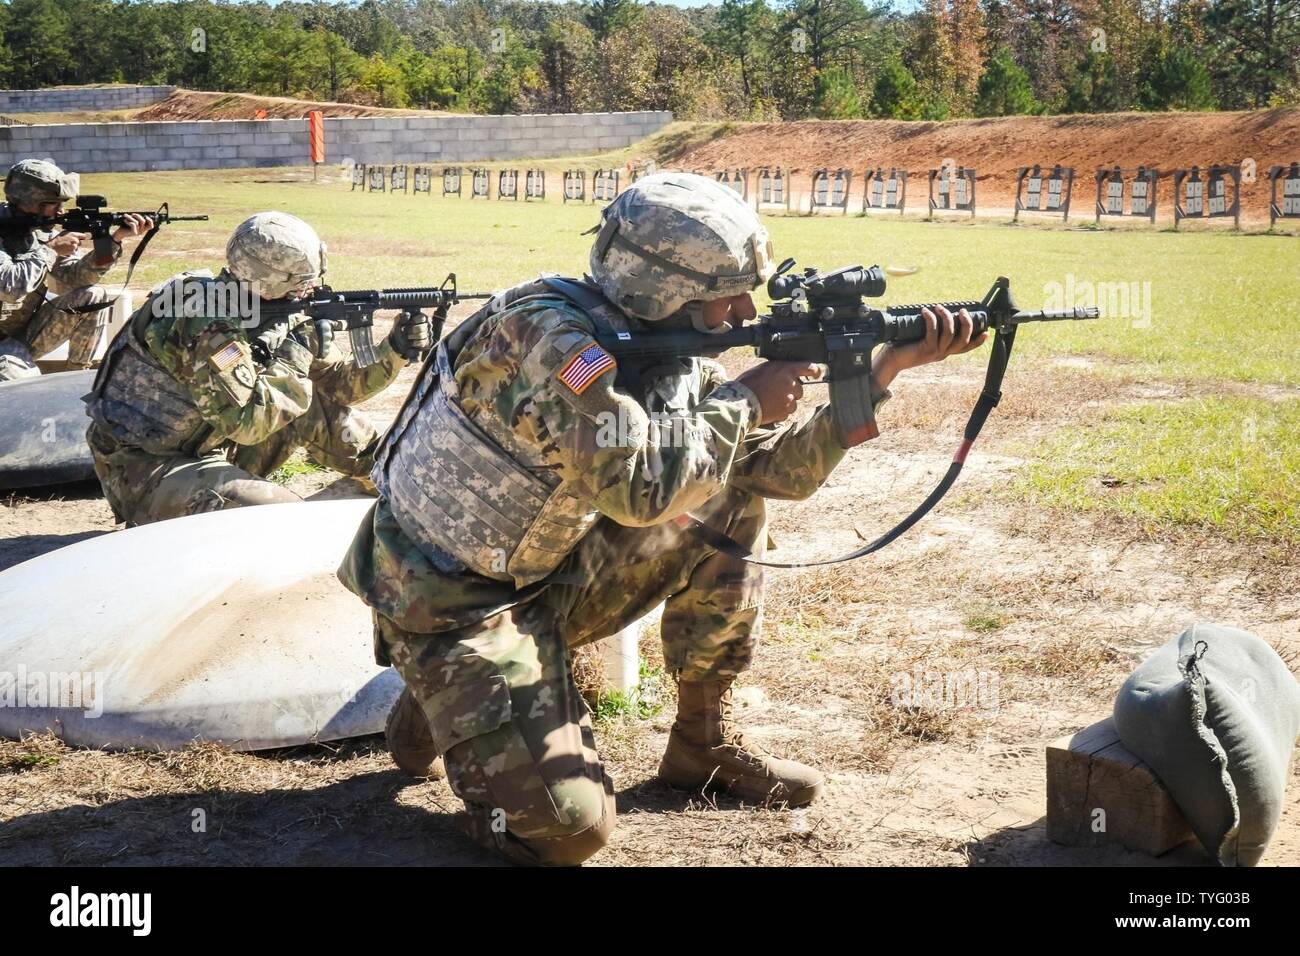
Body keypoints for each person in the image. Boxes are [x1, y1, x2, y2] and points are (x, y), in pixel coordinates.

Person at [338, 172, 986, 865]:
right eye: (725, 295)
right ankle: (441, 696)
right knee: (567, 833)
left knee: (727, 494)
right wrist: (742, 400)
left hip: (541, 570)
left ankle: (700, 745)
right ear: (663, 290)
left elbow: (771, 473)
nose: (743, 311)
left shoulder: (658, 343)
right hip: (451, 603)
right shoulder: (550, 342)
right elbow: (640, 490)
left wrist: (882, 372)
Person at [85, 210, 431, 526]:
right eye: (300, 282)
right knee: (281, 521)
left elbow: (340, 386)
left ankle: (403, 479)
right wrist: (297, 347)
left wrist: (395, 349)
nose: (308, 289)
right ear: (271, 282)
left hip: (208, 444)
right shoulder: (204, 320)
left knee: (323, 412)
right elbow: (248, 424)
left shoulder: (267, 306)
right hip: (146, 469)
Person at [0, 159, 152, 380]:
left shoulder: (38, 230)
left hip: (17, 336)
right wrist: (50, 250)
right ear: (31, 201)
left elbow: (73, 279)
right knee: (20, 383)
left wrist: (114, 239)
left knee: (92, 296)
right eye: (54, 203)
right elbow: (10, 286)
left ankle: (77, 378)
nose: (61, 211)